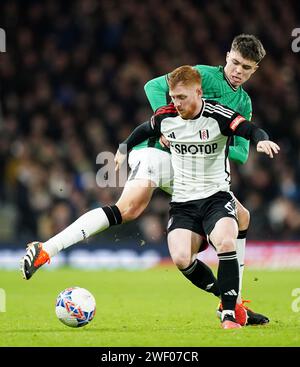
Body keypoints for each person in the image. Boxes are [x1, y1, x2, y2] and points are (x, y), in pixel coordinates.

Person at [20, 34, 268, 325]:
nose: (238, 71)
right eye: (235, 63)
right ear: (227, 56)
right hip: (156, 151)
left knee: (241, 216)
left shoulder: (243, 103)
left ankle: (233, 302)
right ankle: (46, 249)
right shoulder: (202, 75)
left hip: (193, 168)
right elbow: (153, 86)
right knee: (130, 209)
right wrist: (171, 125)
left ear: (255, 70)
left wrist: (210, 138)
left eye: (246, 68)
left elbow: (239, 153)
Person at [114, 65, 280, 328]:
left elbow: (247, 128)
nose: (176, 103)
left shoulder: (218, 115)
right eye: (172, 97)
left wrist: (261, 139)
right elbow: (144, 129)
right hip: (183, 202)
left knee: (225, 242)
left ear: (198, 92)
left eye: (182, 97)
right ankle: (229, 299)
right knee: (181, 258)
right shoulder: (166, 116)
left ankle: (228, 316)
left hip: (216, 197)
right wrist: (123, 149)